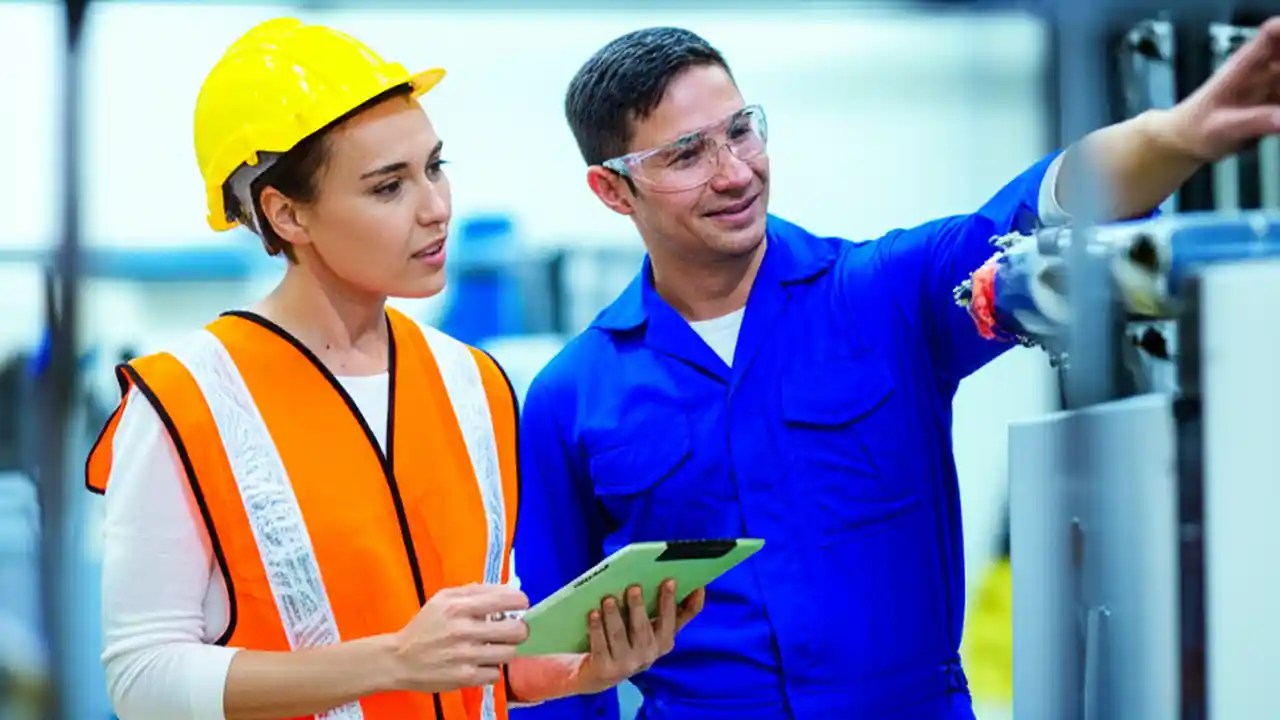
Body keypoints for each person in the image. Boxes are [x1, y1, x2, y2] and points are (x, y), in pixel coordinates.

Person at [511, 20, 1280, 720]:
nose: (735, 172)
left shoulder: (883, 298)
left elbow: (1038, 214)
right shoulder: (572, 397)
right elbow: (552, 667)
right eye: (687, 153)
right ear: (613, 189)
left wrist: (1180, 134)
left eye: (741, 131)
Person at [84, 18, 703, 720]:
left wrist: (579, 670)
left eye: (435, 168)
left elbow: (482, 663)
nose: (436, 208)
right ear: (286, 214)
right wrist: (393, 661)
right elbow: (142, 679)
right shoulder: (182, 400)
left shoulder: (474, 382)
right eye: (389, 187)